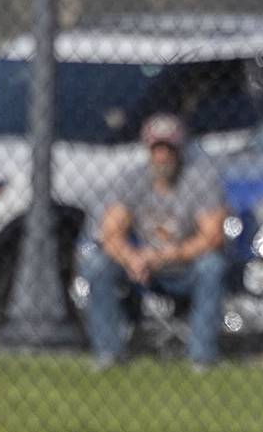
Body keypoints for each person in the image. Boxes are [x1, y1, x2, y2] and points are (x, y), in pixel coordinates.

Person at [80, 112, 228, 371]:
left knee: (212, 266)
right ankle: (108, 353)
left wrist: (169, 255)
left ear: (180, 149)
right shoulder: (133, 180)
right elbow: (110, 232)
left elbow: (213, 236)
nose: (162, 156)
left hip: (185, 265)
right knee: (96, 264)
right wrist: (132, 257)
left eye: (168, 148)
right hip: (142, 266)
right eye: (156, 148)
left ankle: (202, 357)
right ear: (147, 149)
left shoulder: (200, 180)